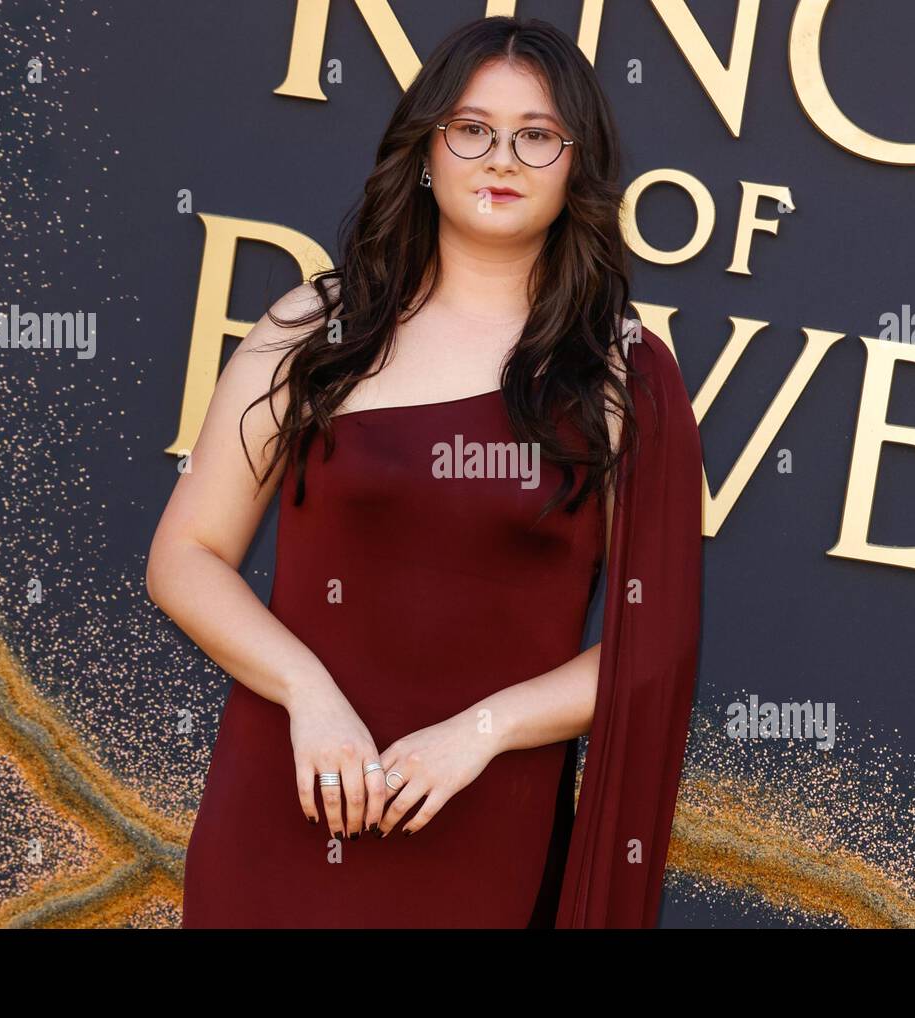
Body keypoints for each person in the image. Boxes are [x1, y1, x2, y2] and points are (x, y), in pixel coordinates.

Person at [146, 15, 702, 929]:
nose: (503, 159)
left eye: (537, 136)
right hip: (287, 798)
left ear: (577, 169)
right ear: (426, 148)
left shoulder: (626, 377)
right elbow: (185, 556)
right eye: (472, 128)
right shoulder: (315, 327)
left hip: (485, 827)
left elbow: (655, 650)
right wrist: (306, 693)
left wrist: (477, 736)